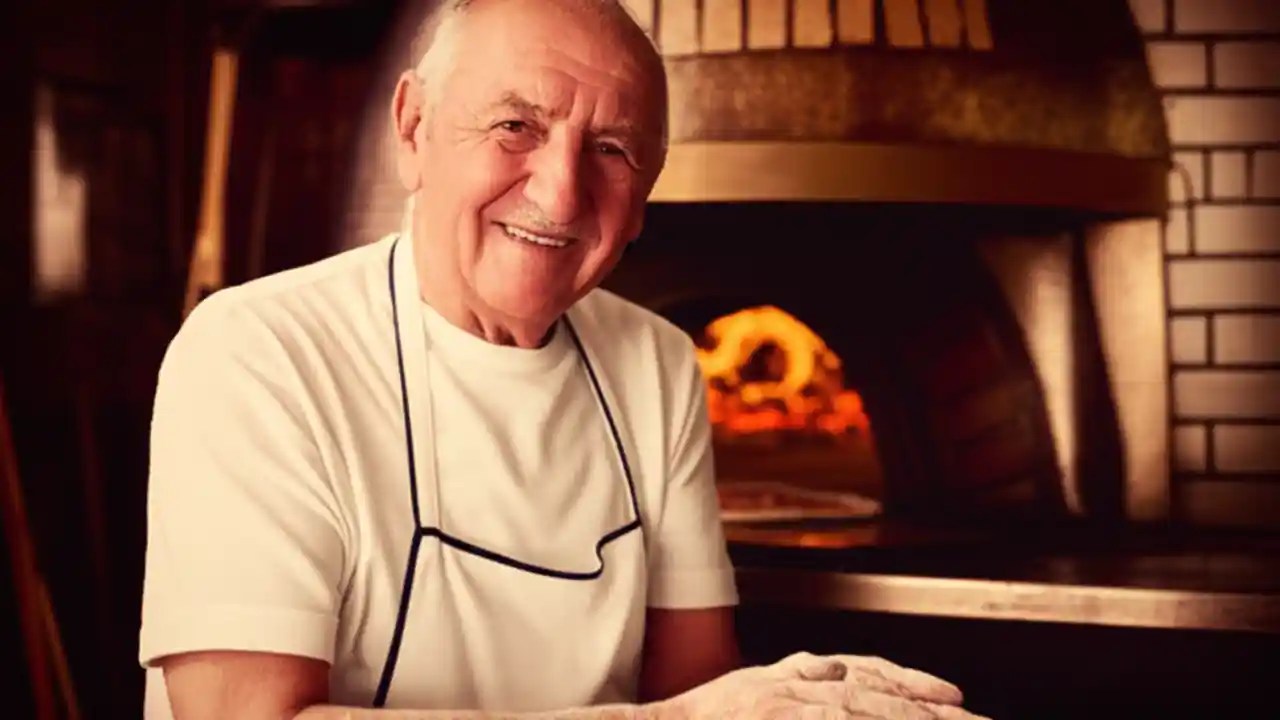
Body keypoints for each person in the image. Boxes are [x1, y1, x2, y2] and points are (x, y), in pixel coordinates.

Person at [138, 0, 987, 718]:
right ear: (413, 129)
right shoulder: (258, 353)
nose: (562, 192)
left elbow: (697, 690)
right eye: (516, 126)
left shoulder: (654, 363)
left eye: (613, 150)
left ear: (646, 196)